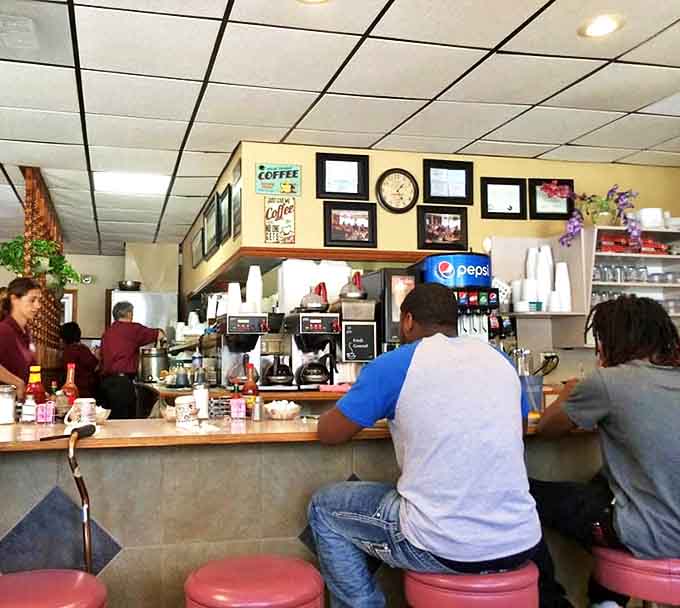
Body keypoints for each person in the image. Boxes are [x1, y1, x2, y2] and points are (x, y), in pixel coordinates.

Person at [307, 283, 541, 608]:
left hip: (442, 546)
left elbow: (330, 433)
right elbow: (518, 431)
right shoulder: (499, 360)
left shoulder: (393, 365)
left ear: (407, 321)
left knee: (324, 507)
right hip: (521, 540)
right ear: (455, 321)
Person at [531, 296, 680, 608]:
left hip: (655, 536)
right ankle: (606, 601)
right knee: (602, 485)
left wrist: (571, 390)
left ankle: (555, 601)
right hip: (664, 520)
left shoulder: (607, 382)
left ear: (610, 339)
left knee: (521, 496)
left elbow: (547, 428)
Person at [100, 301, 165, 419]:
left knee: (110, 423)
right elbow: (159, 334)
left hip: (106, 383)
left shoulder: (107, 332)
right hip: (122, 384)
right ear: (129, 314)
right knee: (124, 423)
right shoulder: (133, 329)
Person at [0, 278, 41, 399]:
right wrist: (18, 383)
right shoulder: (4, 330)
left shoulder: (26, 332)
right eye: (32, 300)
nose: (38, 305)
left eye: (39, 300)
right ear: (14, 299)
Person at [61, 322, 99, 398]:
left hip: (69, 391)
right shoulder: (82, 349)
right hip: (84, 391)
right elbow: (96, 367)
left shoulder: (66, 351)